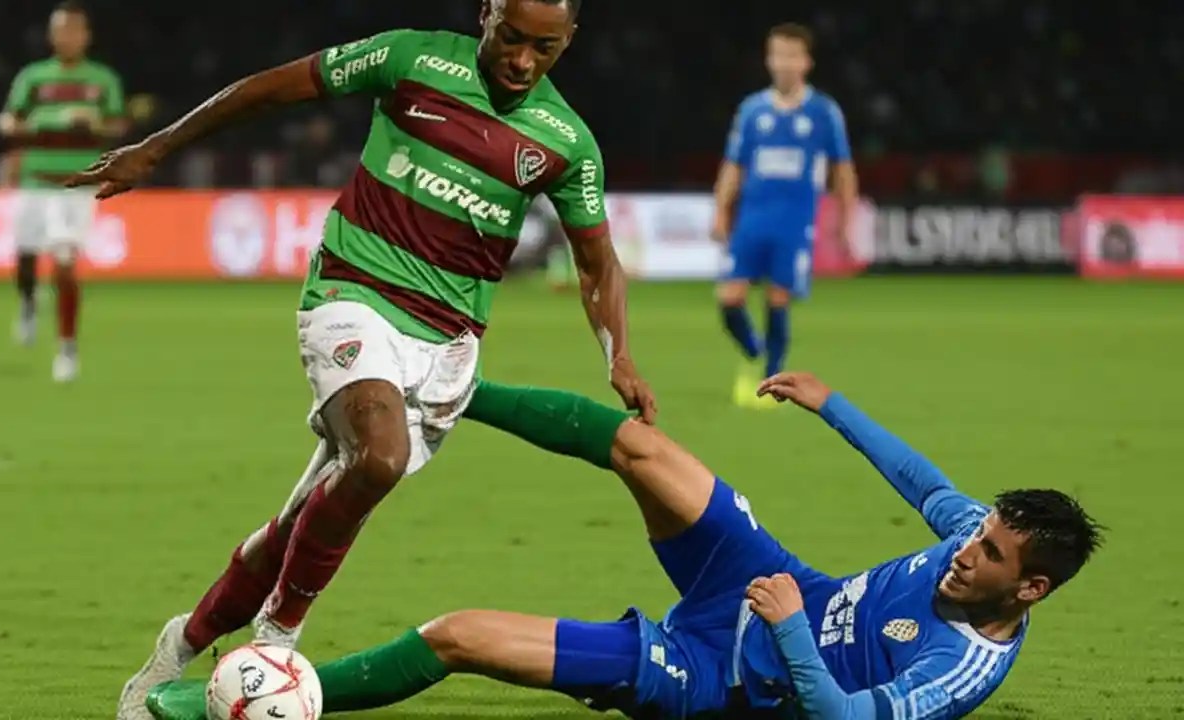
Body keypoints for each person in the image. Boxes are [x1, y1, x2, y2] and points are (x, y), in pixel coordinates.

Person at [62, 2, 658, 719]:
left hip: (443, 350)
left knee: (298, 530)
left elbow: (597, 261)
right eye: (511, 38)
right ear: (485, 16)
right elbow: (269, 88)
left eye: (545, 48)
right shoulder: (411, 59)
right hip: (352, 294)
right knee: (378, 458)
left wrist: (617, 353)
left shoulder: (565, 143)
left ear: (568, 44)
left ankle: (181, 644)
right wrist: (158, 146)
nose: (523, 61)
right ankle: (278, 644)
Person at [145, 371, 1102, 720]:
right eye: (977, 536)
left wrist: (794, 634)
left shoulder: (960, 668)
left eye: (989, 557)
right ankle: (440, 389)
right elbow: (924, 484)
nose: (965, 551)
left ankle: (209, 708)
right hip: (772, 582)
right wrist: (834, 407)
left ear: (1034, 591)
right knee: (638, 447)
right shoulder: (978, 540)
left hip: (721, 677)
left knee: (456, 635)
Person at [711, 23, 858, 409]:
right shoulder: (752, 110)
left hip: (794, 222)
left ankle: (771, 377)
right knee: (729, 299)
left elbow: (842, 170)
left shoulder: (823, 112)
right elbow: (734, 165)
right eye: (778, 54)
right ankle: (755, 350)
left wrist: (845, 220)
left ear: (806, 62)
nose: (785, 63)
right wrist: (721, 210)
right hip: (752, 219)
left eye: (793, 55)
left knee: (778, 299)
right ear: (768, 59)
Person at [0, 0, 126, 382]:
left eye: (75, 30)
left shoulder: (102, 80)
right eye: (61, 30)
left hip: (75, 185)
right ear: (52, 36)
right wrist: (48, 120)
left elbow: (119, 126)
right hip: (35, 183)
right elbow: (8, 121)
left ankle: (67, 349)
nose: (68, 37)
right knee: (24, 257)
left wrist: (96, 121)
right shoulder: (34, 77)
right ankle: (26, 302)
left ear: (86, 36)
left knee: (66, 264)